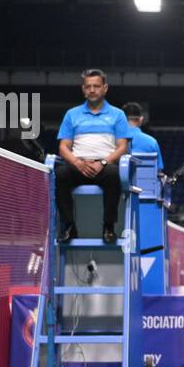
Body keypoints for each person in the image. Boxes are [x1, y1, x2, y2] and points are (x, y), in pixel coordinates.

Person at [54, 69, 132, 244]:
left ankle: (108, 227)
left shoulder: (117, 115)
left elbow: (122, 148)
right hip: (78, 166)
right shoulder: (72, 114)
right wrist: (77, 162)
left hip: (104, 167)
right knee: (59, 175)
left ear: (104, 88)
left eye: (96, 86)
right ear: (83, 89)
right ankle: (69, 226)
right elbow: (63, 147)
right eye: (88, 86)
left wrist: (103, 162)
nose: (92, 90)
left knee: (113, 175)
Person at [122, 101, 164, 171]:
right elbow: (159, 169)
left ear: (122, 119)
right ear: (141, 119)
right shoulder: (152, 142)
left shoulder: (113, 140)